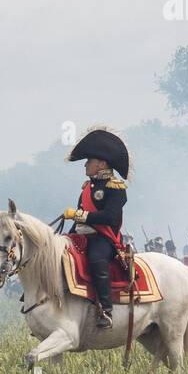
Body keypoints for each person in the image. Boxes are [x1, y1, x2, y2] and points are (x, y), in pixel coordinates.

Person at [61, 127, 131, 329]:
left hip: (104, 238)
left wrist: (79, 215)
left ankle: (106, 311)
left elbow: (110, 217)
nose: (86, 164)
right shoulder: (87, 188)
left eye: (89, 161)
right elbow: (80, 220)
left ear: (101, 163)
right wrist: (68, 234)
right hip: (82, 235)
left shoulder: (115, 188)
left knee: (96, 259)